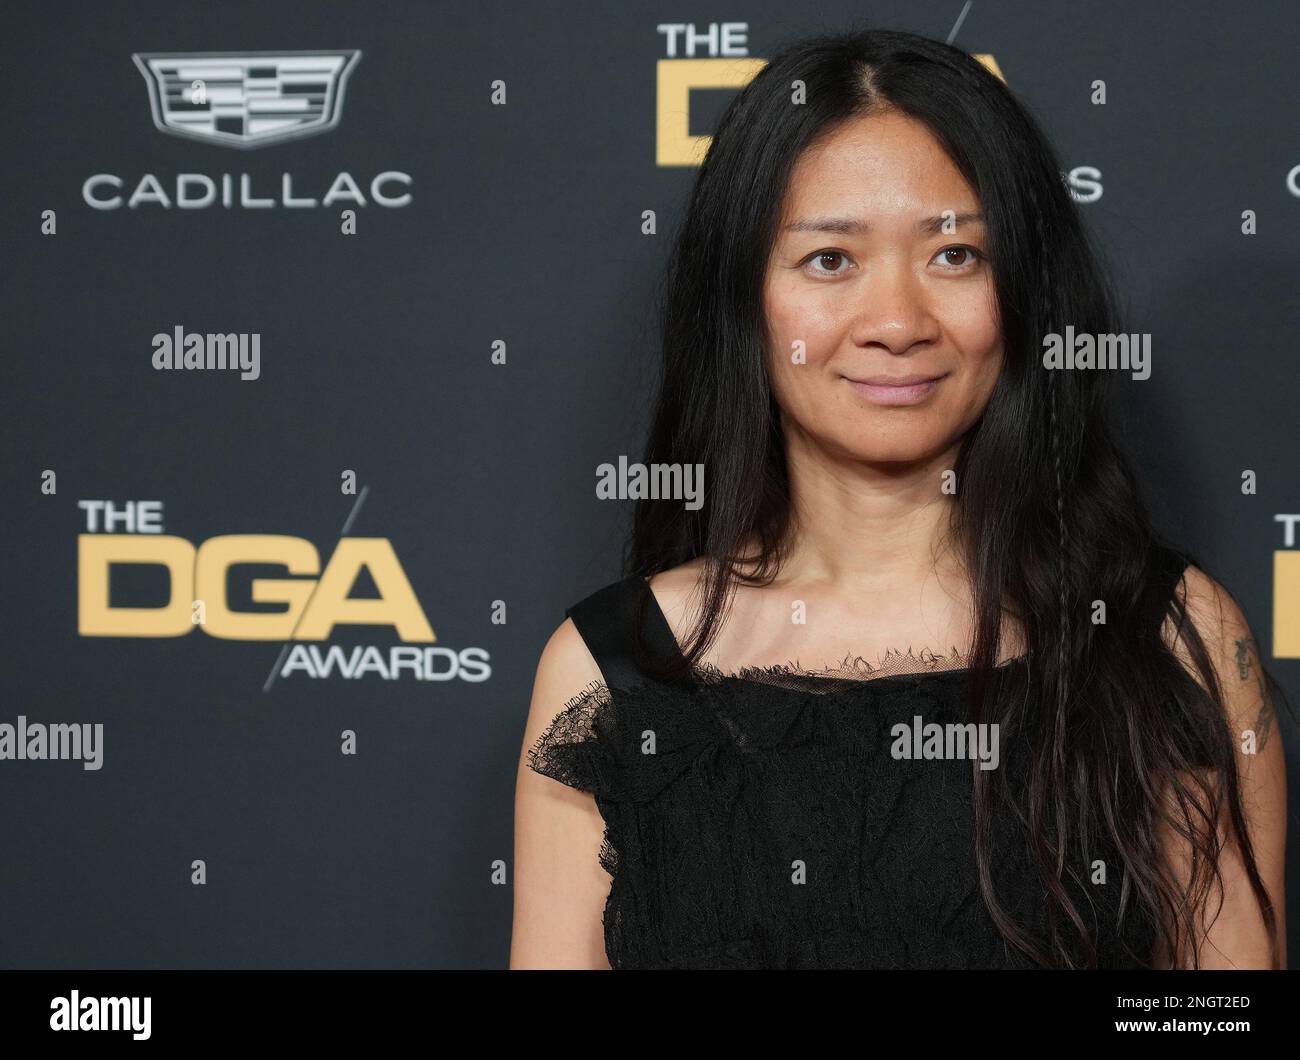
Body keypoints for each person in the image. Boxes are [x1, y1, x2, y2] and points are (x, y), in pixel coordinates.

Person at [510, 27, 1288, 969]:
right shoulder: (615, 674)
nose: (896, 323)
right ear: (743, 302)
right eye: (830, 260)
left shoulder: (1169, 640)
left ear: (1027, 292)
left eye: (955, 256)